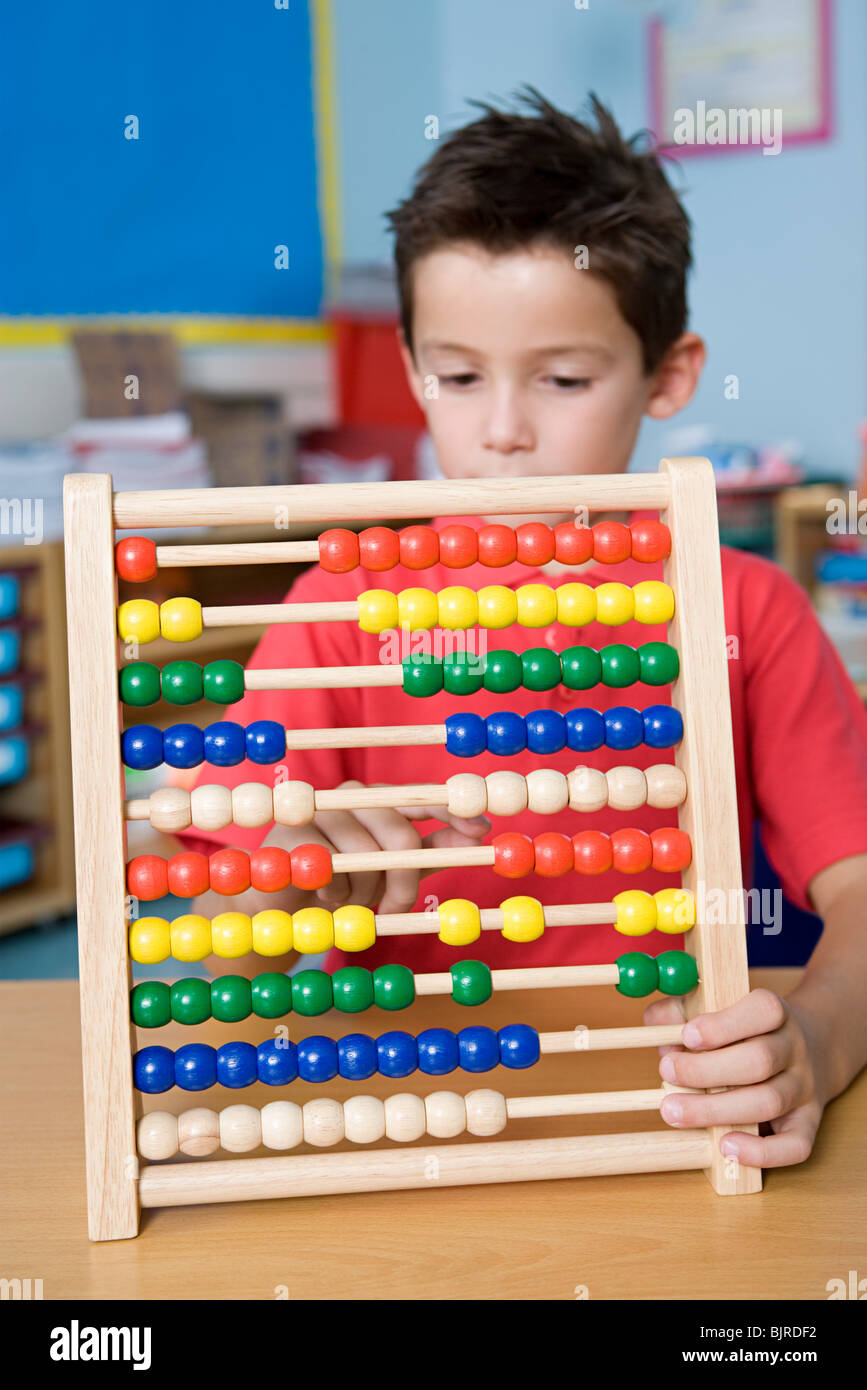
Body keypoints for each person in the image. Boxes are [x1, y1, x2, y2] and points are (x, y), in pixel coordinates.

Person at [173, 90, 867, 1170]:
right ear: (411, 371)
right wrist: (293, 893)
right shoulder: (334, 613)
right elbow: (224, 899)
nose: (502, 430)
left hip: (661, 1107)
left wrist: (819, 1037)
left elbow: (859, 887)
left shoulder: (744, 611)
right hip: (397, 1107)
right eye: (457, 377)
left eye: (564, 378)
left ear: (670, 374)